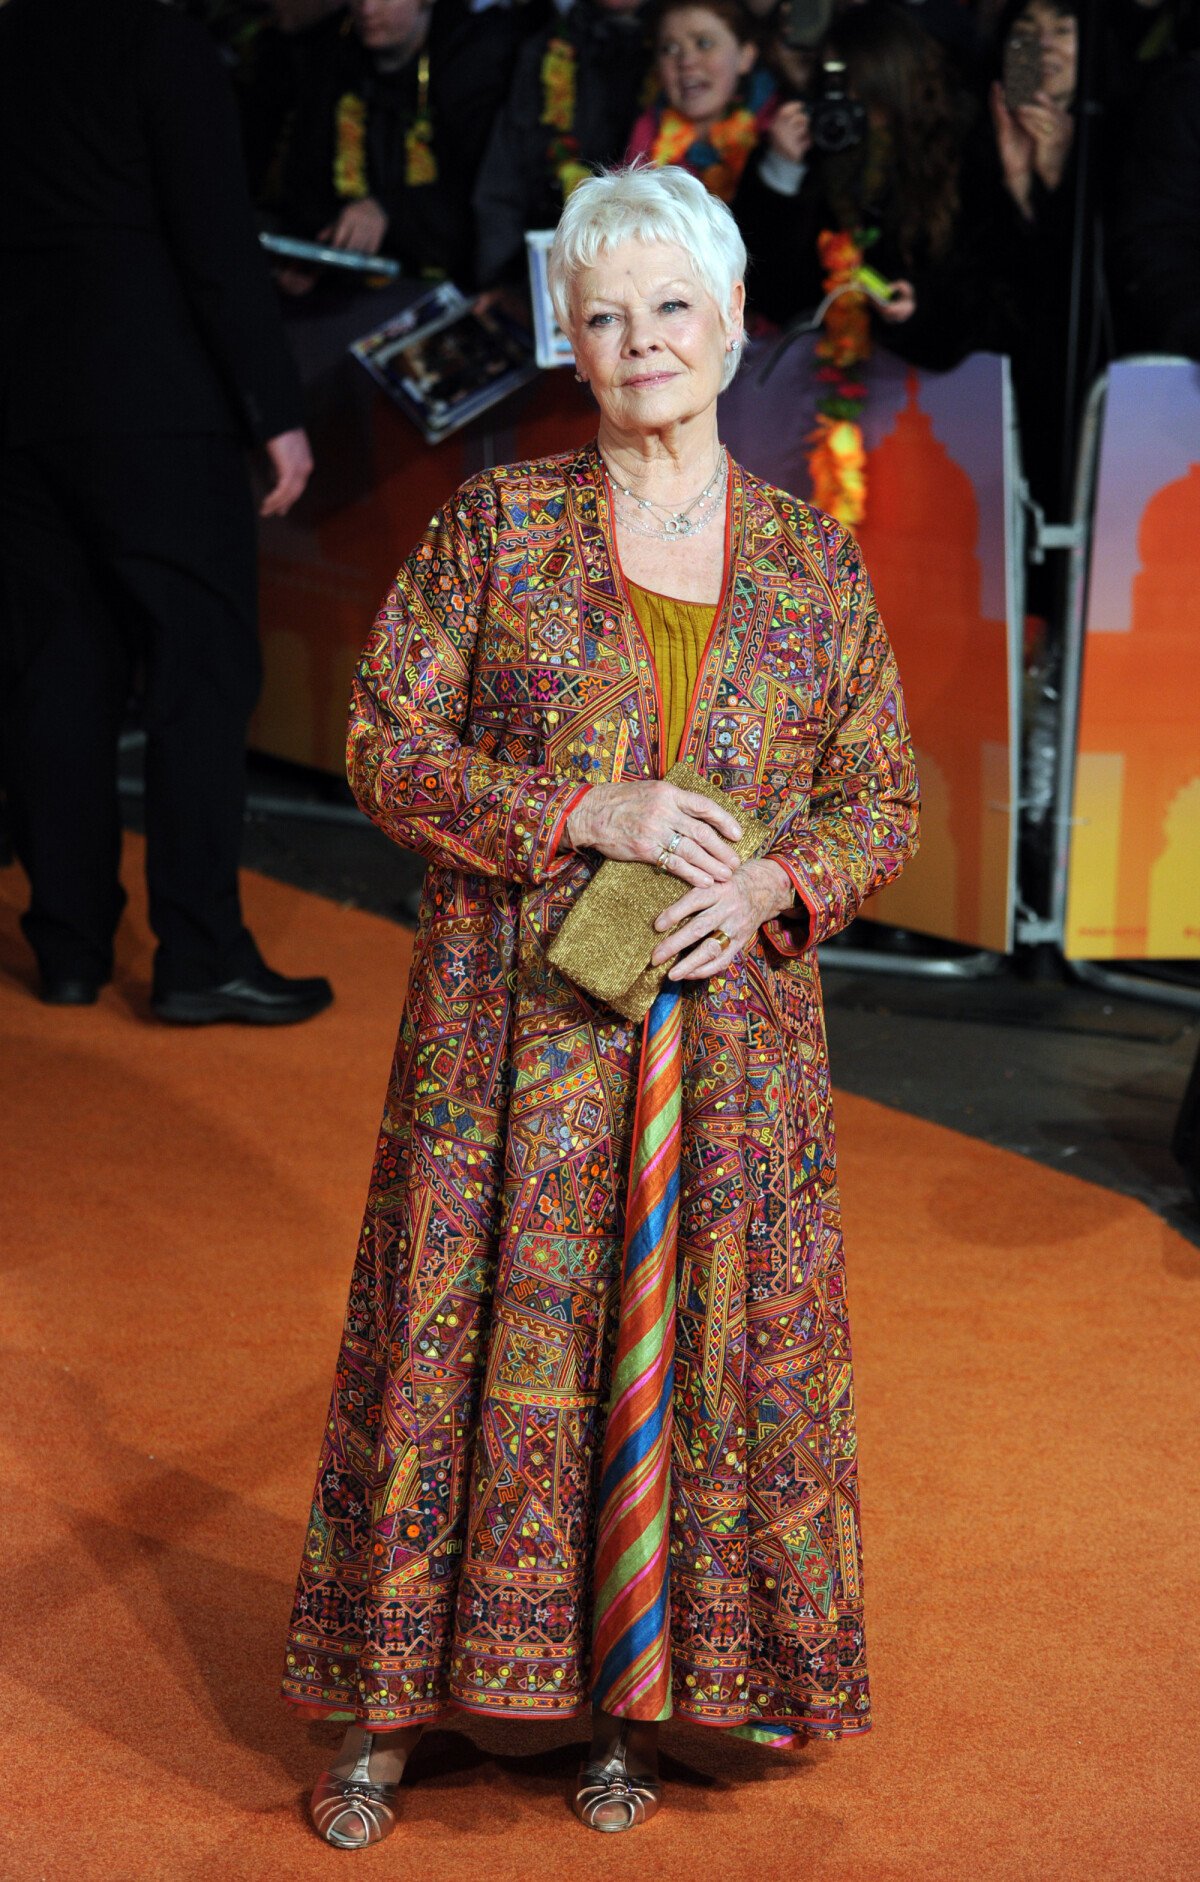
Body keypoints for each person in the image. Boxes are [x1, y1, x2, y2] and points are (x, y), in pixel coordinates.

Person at [281, 163, 919, 1846]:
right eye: (606, 310)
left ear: (733, 327)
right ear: (572, 333)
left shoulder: (809, 564)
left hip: (732, 1056)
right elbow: (381, 742)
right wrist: (585, 812)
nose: (640, 341)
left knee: (681, 1361)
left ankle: (624, 1696)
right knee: (461, 1345)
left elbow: (881, 797)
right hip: (516, 1040)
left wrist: (780, 884)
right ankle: (389, 1694)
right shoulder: (498, 522)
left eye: (671, 308)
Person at [0, 0, 331, 1023]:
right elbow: (214, 237)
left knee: (55, 671)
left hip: (19, 406)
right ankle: (198, 953)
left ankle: (67, 945)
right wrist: (275, 411)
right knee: (202, 672)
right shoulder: (153, 33)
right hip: (154, 404)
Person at [734, 1, 1008, 368]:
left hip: (928, 389)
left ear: (894, 85)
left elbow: (983, 287)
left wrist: (918, 307)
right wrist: (780, 171)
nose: (852, 105)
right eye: (837, 87)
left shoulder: (959, 155)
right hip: (816, 373)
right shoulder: (817, 148)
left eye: (864, 90)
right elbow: (767, 286)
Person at [273, 0, 520, 291]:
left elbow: (484, 198)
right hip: (348, 287)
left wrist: (389, 210)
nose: (367, 9)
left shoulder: (476, 60)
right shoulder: (332, 56)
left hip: (449, 283)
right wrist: (312, 249)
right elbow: (305, 182)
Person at [473, 0, 653, 287]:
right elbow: (500, 190)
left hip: (653, 275)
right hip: (546, 278)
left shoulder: (682, 49)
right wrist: (502, 286)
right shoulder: (545, 48)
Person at [625, 0, 775, 201]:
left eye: (704, 43)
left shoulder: (777, 134)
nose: (686, 61)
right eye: (669, 48)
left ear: (746, 56)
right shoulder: (644, 140)